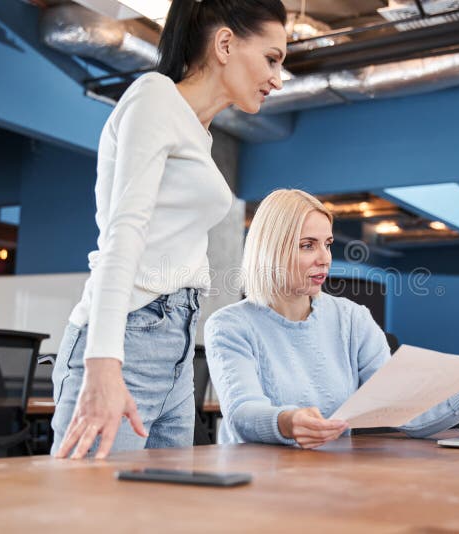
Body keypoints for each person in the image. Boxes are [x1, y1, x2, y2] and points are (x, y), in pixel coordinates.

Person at [51, 0, 288, 459]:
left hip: (177, 342)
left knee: (163, 513)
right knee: (91, 514)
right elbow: (124, 232)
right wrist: (102, 364)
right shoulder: (155, 96)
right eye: (272, 59)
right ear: (224, 43)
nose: (277, 78)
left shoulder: (199, 132)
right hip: (128, 336)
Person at [205, 190, 459, 448]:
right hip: (256, 482)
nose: (324, 258)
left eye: (327, 244)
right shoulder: (229, 326)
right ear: (271, 251)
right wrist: (287, 422)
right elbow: (243, 413)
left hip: (333, 480)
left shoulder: (352, 319)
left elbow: (408, 414)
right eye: (307, 245)